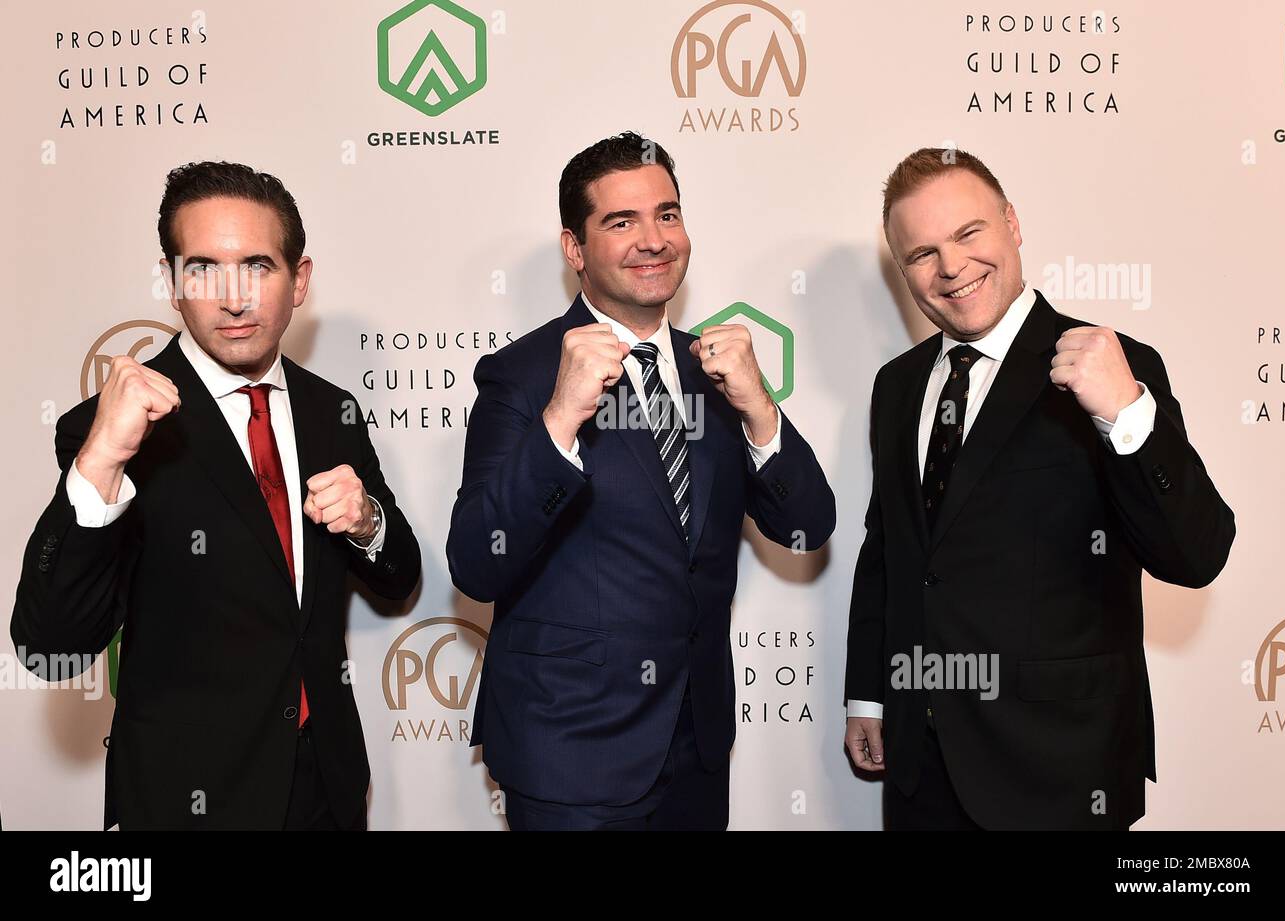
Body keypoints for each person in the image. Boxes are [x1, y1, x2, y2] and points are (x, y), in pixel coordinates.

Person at [11, 161, 421, 829]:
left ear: (300, 280)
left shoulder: (330, 410)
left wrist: (368, 520)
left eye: (258, 266)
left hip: (326, 789)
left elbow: (400, 577)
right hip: (185, 800)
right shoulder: (108, 429)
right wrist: (101, 461)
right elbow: (49, 642)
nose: (234, 298)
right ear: (172, 284)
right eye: (202, 270)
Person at [447, 131, 836, 830]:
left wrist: (758, 407)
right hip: (571, 749)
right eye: (621, 221)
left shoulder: (716, 369)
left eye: (667, 214)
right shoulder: (523, 376)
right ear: (575, 249)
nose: (653, 239)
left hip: (698, 744)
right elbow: (478, 561)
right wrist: (561, 418)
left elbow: (809, 526)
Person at [843, 148, 1235, 830]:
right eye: (922, 253)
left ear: (1013, 224)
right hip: (921, 765)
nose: (952, 267)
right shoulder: (897, 386)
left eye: (969, 234)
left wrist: (1127, 412)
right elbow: (891, 551)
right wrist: (870, 698)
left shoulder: (1114, 364)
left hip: (1060, 768)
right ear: (903, 270)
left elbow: (1195, 555)